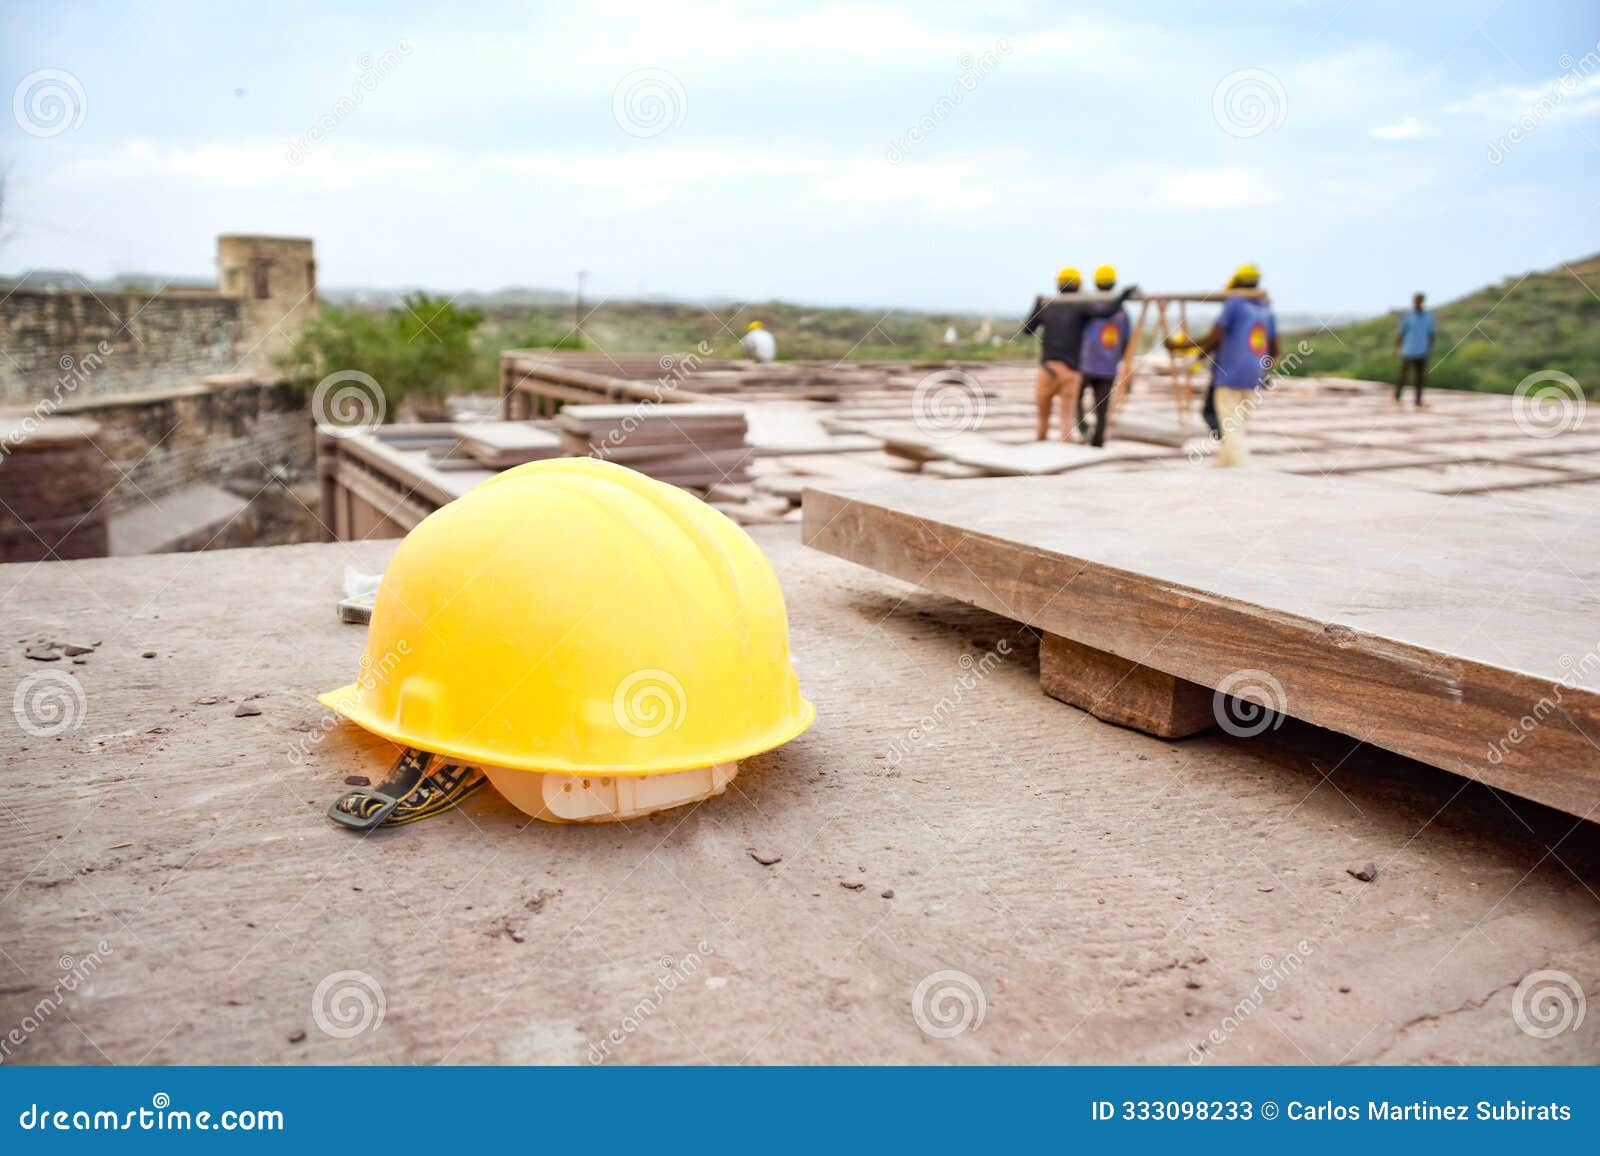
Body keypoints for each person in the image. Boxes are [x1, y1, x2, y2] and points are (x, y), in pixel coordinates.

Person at [1022, 266, 1137, 441]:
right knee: (1068, 420)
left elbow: (1027, 330)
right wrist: (1122, 296)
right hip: (1072, 372)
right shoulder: (1081, 308)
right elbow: (1106, 311)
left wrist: (1035, 307)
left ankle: (1040, 451)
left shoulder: (1049, 307)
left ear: (1058, 285)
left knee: (1042, 419)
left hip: (1047, 369)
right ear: (1079, 287)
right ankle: (1076, 449)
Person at [1193, 262, 1278, 468]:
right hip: (1253, 375)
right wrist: (1263, 371)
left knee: (1229, 424)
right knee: (1237, 424)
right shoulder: (1265, 308)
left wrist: (1198, 354)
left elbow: (1216, 335)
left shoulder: (1235, 303)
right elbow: (1274, 348)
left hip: (1229, 374)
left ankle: (1241, 467)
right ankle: (1223, 464)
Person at [1074, 265, 1130, 447]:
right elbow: (1125, 340)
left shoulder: (1090, 306)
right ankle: (1097, 442)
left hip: (1086, 364)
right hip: (1108, 366)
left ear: (1096, 282)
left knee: (1075, 398)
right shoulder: (1122, 313)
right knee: (1102, 407)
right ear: (1114, 283)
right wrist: (1118, 358)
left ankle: (1083, 429)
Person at [1394, 292, 1435, 407]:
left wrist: (1430, 347)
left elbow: (1431, 334)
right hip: (1408, 350)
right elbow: (1401, 333)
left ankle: (1418, 401)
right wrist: (1397, 347)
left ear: (1422, 301)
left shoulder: (1428, 317)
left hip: (1422, 351)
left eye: (1419, 300)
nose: (1417, 302)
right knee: (1403, 376)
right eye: (1415, 300)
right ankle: (1397, 397)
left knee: (1420, 378)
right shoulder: (1408, 316)